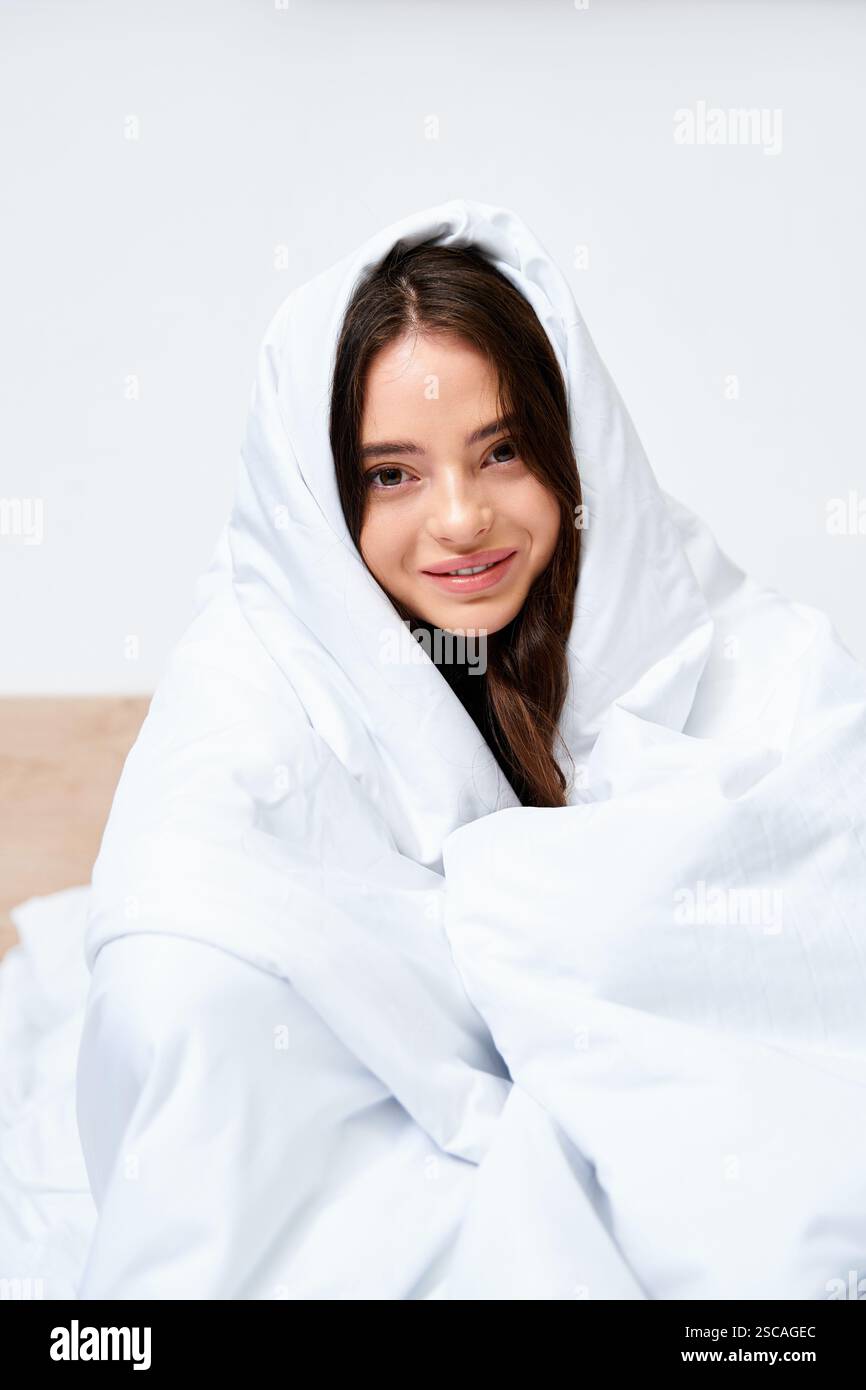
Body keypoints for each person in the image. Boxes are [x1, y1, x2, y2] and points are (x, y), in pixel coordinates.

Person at [74, 197, 866, 1301]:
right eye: (392, 474)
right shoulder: (257, 675)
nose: (460, 519)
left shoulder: (655, 585)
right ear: (322, 494)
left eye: (499, 453)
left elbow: (814, 788)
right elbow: (186, 928)